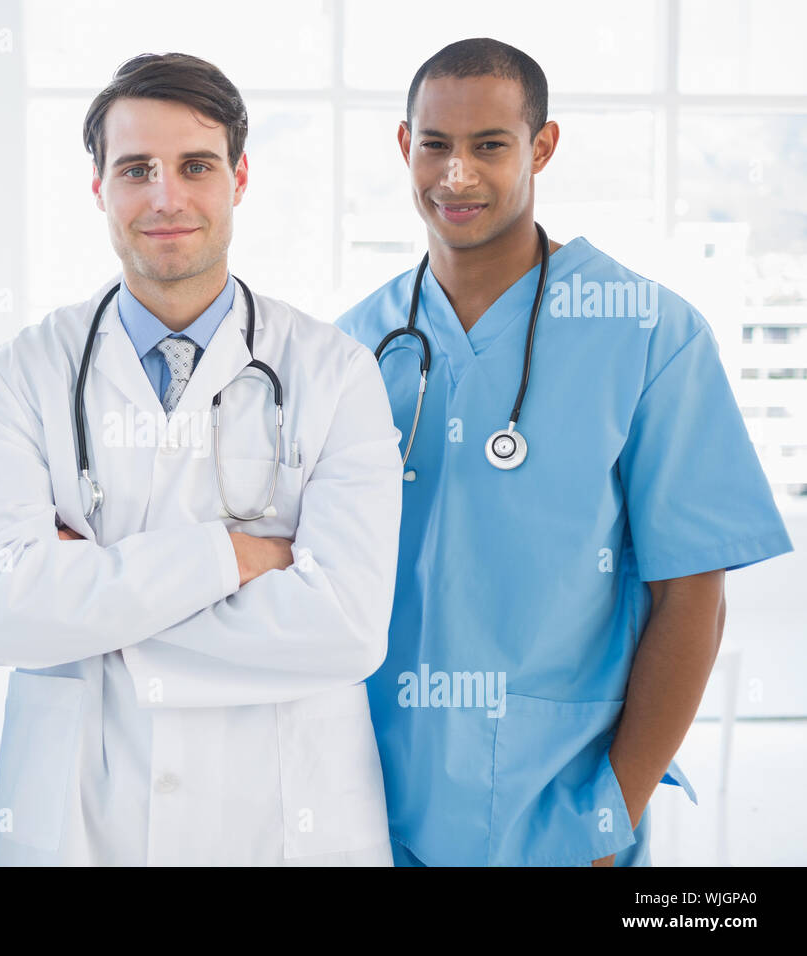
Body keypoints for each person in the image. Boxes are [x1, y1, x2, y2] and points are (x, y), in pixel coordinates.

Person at [336, 38, 793, 866]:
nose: (458, 175)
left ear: (542, 147)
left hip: (559, 815)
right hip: (369, 805)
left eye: (491, 146)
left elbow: (692, 597)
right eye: (435, 144)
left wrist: (611, 811)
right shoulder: (354, 347)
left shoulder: (650, 335)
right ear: (405, 146)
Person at [0, 53, 403, 866]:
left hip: (283, 826)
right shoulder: (20, 376)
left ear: (238, 176)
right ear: (99, 189)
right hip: (83, 829)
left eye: (195, 166)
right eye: (136, 169)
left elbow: (346, 627)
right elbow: (2, 614)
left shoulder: (335, 373)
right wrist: (235, 557)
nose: (166, 196)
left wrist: (91, 607)